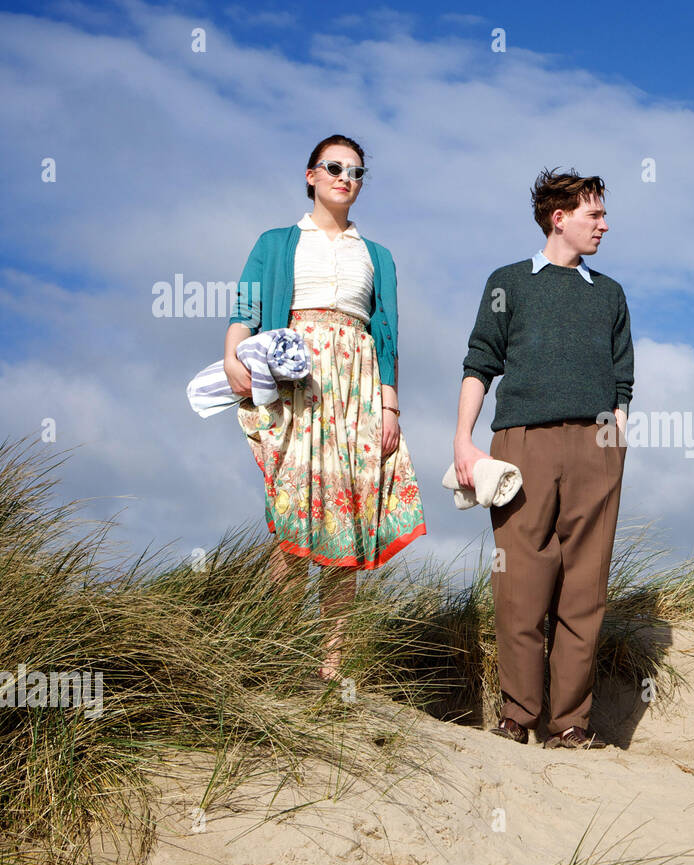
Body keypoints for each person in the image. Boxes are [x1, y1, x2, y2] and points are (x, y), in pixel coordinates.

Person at [224, 134, 426, 681]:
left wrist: (390, 408)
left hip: (359, 385)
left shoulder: (377, 256)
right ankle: (280, 651)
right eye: (334, 168)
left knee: (349, 519)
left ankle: (332, 664)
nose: (346, 178)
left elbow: (387, 335)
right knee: (293, 512)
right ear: (311, 175)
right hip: (297, 380)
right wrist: (231, 354)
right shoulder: (276, 241)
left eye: (357, 172)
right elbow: (247, 304)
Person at [455, 168, 633, 750]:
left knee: (585, 590)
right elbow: (480, 362)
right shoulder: (508, 283)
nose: (604, 225)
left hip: (597, 446)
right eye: (594, 215)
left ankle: (570, 725)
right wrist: (464, 440)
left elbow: (622, 379)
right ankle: (517, 715)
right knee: (522, 586)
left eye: (603, 215)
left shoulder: (608, 293)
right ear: (560, 219)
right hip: (521, 443)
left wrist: (617, 437)